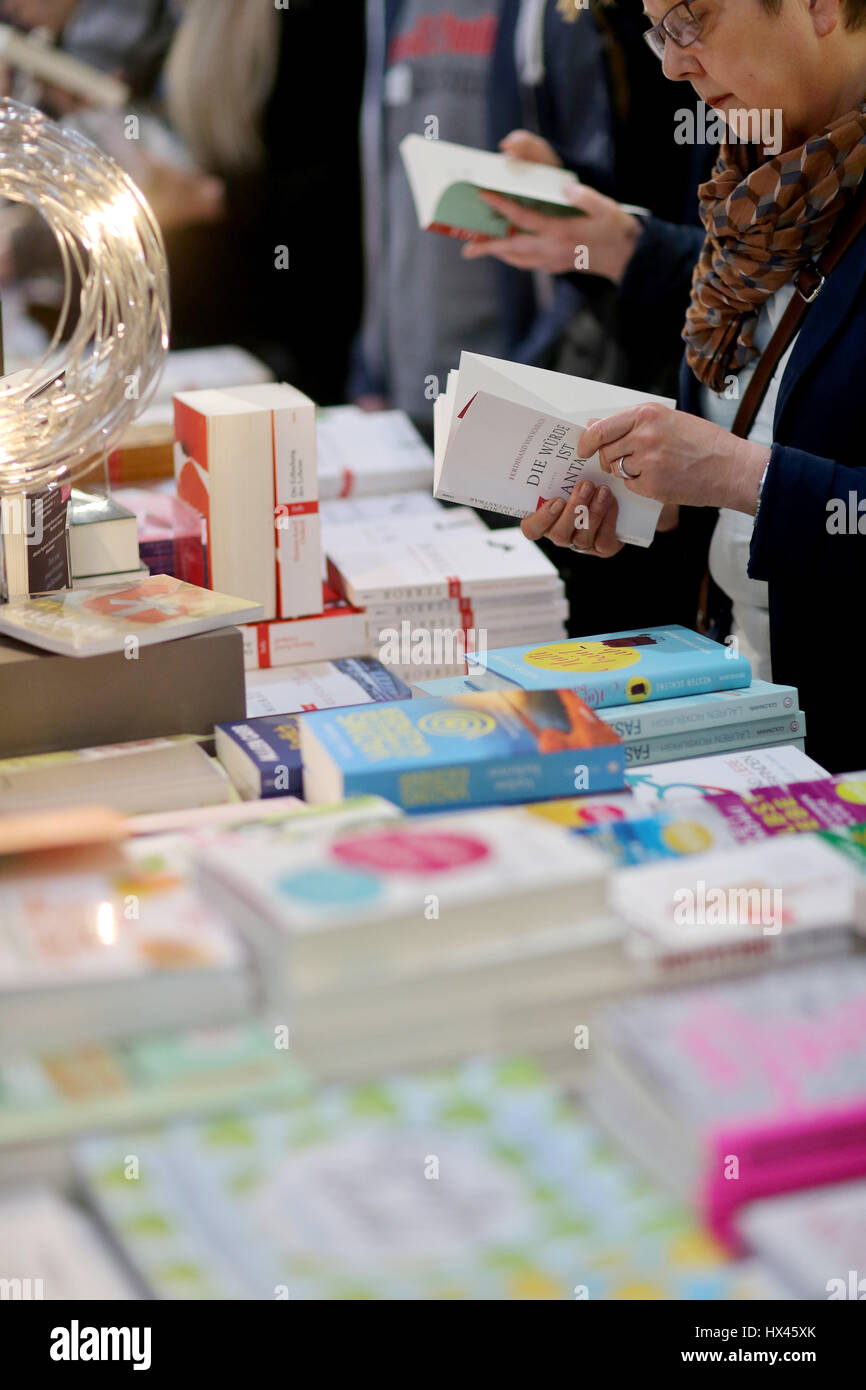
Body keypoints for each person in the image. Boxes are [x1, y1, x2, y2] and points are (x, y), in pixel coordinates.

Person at [514, 0, 866, 773]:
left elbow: (761, 468)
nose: (672, 63)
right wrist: (646, 497)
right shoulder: (751, 189)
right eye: (657, 28)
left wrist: (740, 476)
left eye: (692, 19)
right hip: (742, 721)